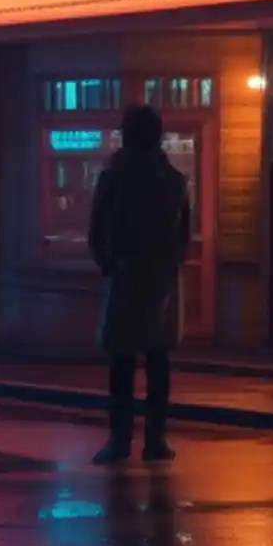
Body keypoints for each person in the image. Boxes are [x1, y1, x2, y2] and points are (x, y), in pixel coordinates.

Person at [88, 106, 190, 464]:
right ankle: (155, 439)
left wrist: (108, 264)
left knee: (122, 365)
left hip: (126, 275)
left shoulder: (114, 175)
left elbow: (96, 228)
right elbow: (184, 233)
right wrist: (172, 261)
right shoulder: (173, 178)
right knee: (158, 362)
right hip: (161, 279)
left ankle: (119, 440)